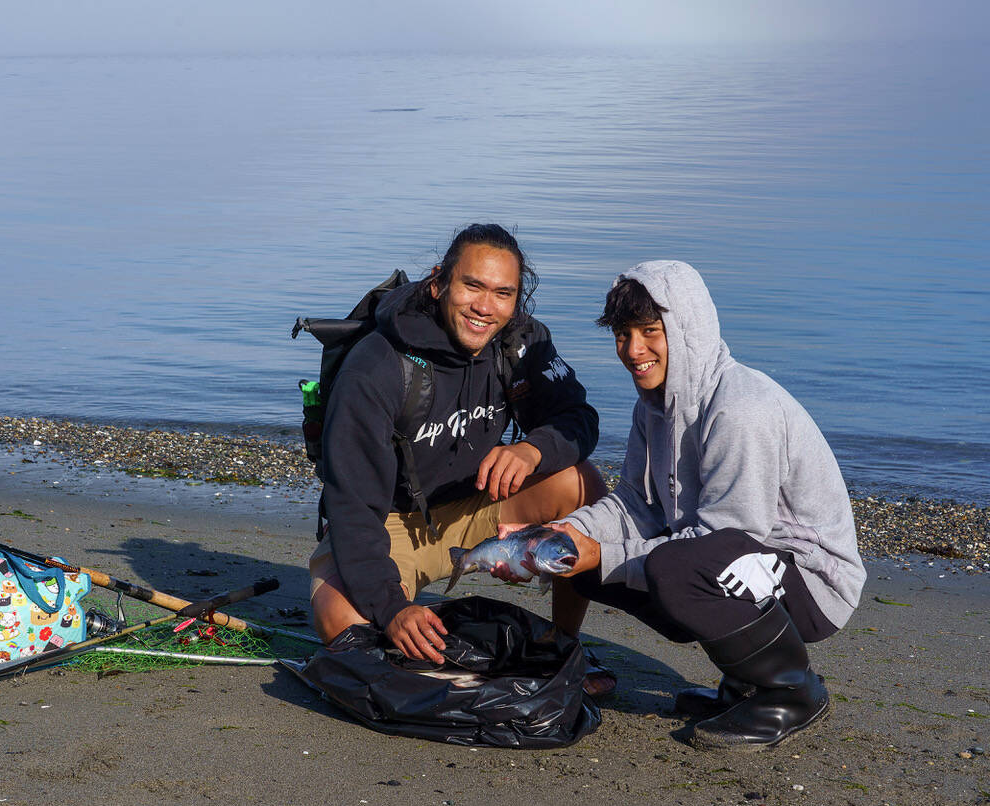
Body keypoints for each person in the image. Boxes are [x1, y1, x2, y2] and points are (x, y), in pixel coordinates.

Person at [511, 260, 865, 750]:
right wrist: (563, 535)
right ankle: (742, 683)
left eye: (650, 331)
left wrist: (605, 555)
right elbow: (636, 502)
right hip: (736, 559)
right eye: (622, 334)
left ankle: (791, 691)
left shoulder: (742, 407)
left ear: (687, 328)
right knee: (575, 555)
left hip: (809, 581)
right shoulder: (651, 406)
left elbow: (734, 535)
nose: (633, 351)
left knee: (673, 567)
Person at [308, 224, 608, 684]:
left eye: (503, 293)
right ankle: (405, 616)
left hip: (477, 507)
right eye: (472, 286)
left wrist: (532, 450)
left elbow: (579, 418)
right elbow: (351, 507)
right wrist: (392, 609)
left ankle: (561, 646)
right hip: (384, 524)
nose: (485, 308)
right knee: (341, 625)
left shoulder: (519, 343)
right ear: (439, 282)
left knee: (580, 482)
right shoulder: (377, 366)